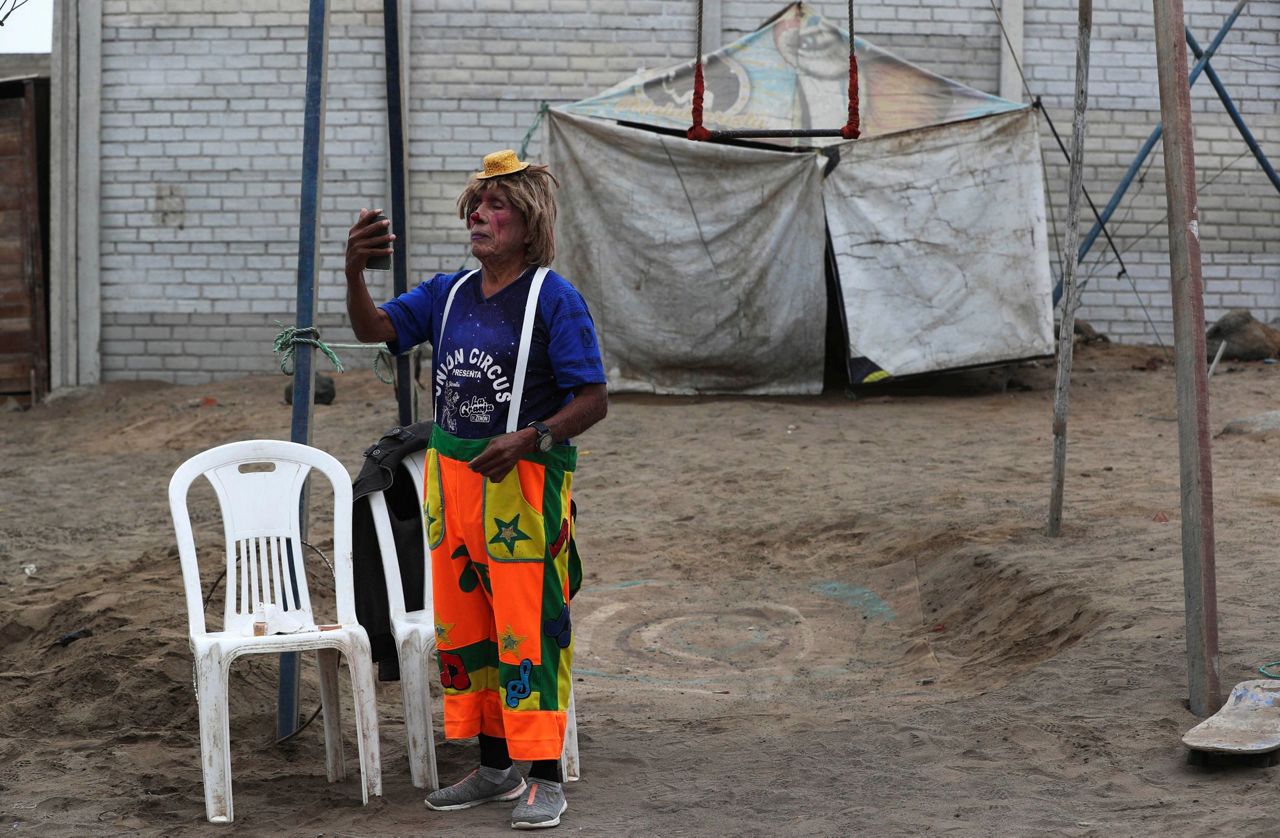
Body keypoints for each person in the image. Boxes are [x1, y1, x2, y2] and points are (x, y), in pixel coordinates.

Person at [344, 149, 608, 830]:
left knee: (528, 629)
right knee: (468, 629)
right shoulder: (448, 294)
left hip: (522, 484)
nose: (479, 219)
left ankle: (544, 777)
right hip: (451, 484)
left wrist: (531, 437)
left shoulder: (554, 298)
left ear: (527, 225)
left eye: (495, 209)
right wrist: (352, 273)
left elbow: (594, 398)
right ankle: (494, 768)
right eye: (474, 208)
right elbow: (376, 330)